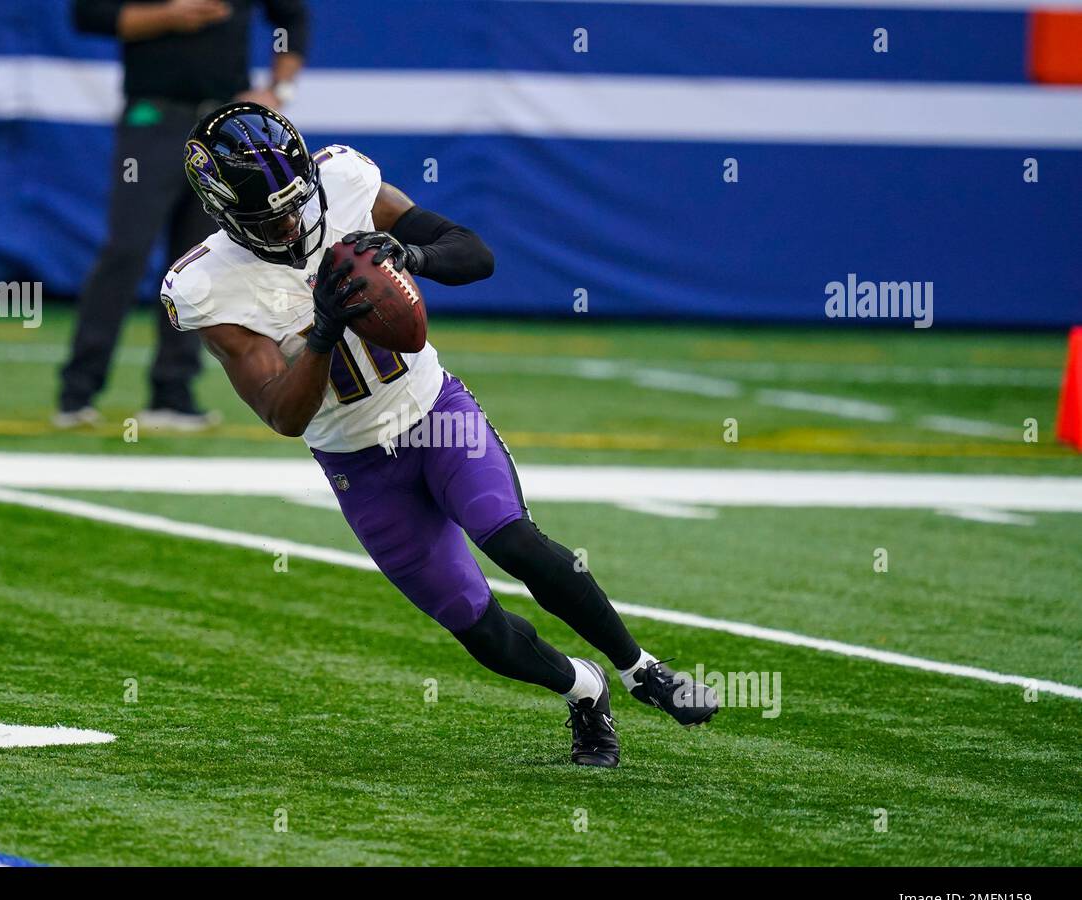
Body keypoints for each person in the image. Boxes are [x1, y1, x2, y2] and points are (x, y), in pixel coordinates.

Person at [162, 104, 720, 766]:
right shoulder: (204, 284)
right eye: (269, 216)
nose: (291, 222)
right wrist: (323, 329)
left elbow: (474, 253)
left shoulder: (344, 182)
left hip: (435, 412)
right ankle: (585, 687)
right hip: (359, 464)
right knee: (477, 625)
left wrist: (409, 253)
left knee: (511, 537)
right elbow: (283, 414)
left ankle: (640, 669)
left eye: (296, 202)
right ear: (224, 212)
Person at [57, 0, 308, 430]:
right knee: (126, 250)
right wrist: (169, 15)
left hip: (223, 128)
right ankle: (78, 391)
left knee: (202, 259)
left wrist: (278, 91)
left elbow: (292, 15)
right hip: (152, 113)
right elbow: (89, 15)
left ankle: (172, 393)